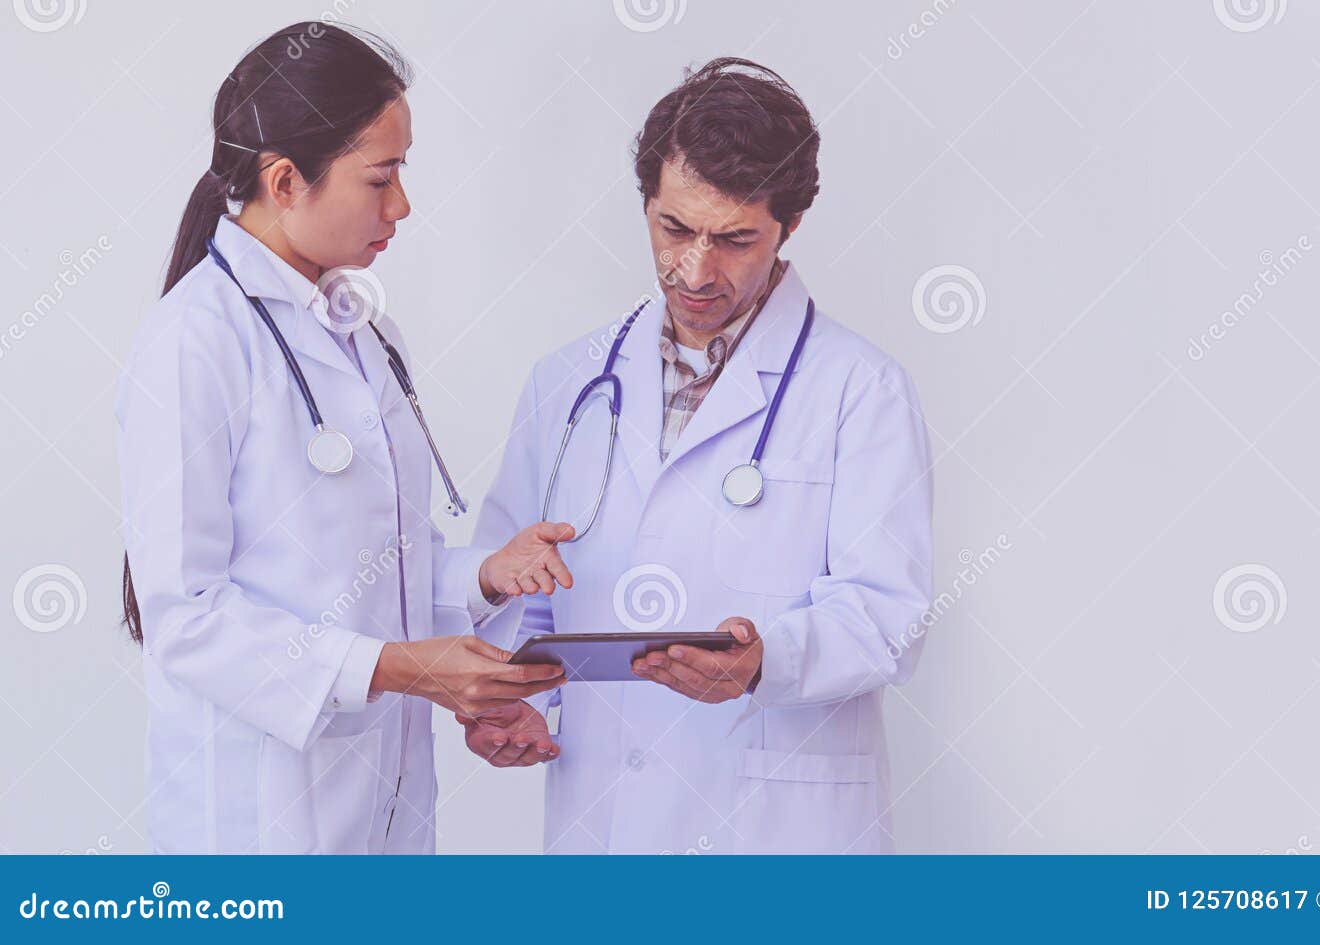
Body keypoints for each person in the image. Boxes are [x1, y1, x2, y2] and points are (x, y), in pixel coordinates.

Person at [116, 22, 571, 854]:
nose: (401, 205)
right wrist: (404, 669)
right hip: (259, 824)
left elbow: (384, 570)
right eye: (381, 177)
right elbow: (185, 614)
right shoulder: (194, 340)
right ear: (284, 180)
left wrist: (488, 575)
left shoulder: (363, 329)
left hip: (387, 809)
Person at [465, 58, 934, 853]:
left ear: (788, 225)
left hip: (776, 833)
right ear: (647, 203)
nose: (695, 268)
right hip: (602, 817)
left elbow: (892, 616)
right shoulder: (569, 381)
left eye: (734, 239)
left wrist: (764, 662)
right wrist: (512, 698)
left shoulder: (862, 390)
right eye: (674, 228)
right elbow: (520, 587)